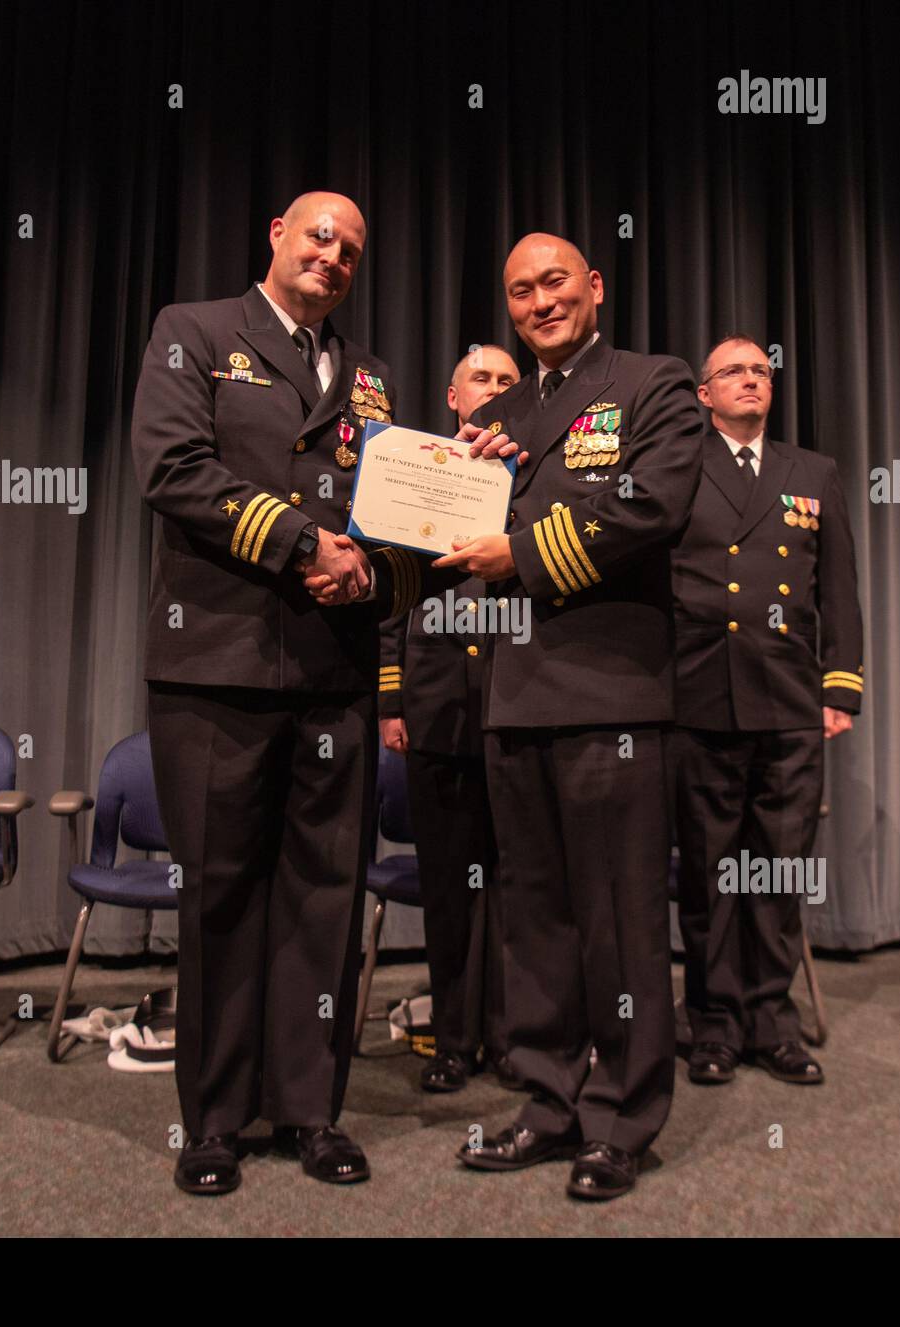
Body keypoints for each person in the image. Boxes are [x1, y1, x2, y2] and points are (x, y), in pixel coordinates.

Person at [132, 191, 403, 1195]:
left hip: (333, 670)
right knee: (221, 892)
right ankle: (213, 1118)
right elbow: (171, 467)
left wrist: (370, 565)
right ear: (276, 236)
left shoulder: (370, 375)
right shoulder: (195, 333)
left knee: (325, 898)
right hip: (218, 664)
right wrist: (300, 544)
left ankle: (309, 1109)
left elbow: (387, 507)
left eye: (352, 248)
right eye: (318, 236)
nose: (333, 255)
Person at [434, 233, 705, 1201]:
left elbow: (650, 506)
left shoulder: (653, 381)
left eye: (554, 283)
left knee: (619, 918)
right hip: (513, 689)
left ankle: (620, 1120)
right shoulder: (497, 411)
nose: (539, 302)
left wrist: (519, 551)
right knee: (536, 918)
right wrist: (456, 497)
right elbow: (455, 523)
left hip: (611, 692)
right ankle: (547, 1103)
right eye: (519, 292)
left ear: (592, 286)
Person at [669, 334, 863, 1088]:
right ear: (703, 395)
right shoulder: (680, 467)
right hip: (701, 693)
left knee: (778, 870)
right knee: (711, 873)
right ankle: (713, 1024)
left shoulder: (811, 471)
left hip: (787, 698)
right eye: (734, 372)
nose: (751, 380)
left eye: (761, 371)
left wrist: (838, 687)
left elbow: (837, 585)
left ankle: (772, 1022)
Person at [378, 345, 521, 1093]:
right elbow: (391, 597)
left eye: (507, 380)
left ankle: (512, 1038)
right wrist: (392, 700)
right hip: (436, 710)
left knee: (517, 885)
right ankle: (454, 1042)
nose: (495, 389)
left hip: (516, 706)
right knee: (450, 888)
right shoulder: (416, 472)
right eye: (482, 380)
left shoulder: (537, 475)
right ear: (453, 397)